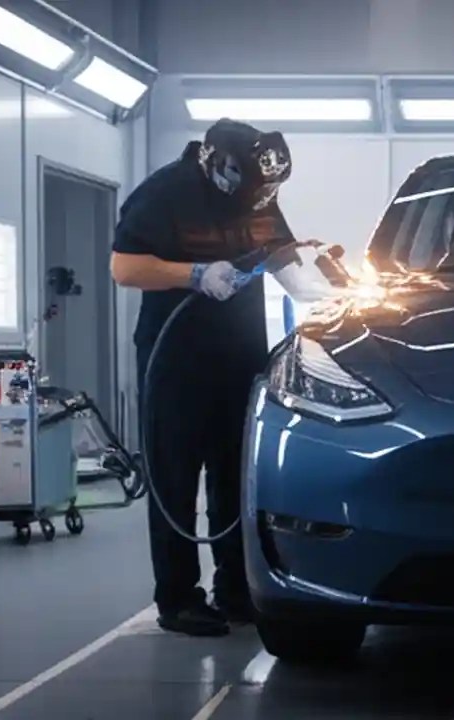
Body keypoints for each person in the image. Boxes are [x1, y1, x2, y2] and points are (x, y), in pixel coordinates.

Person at [110, 119, 296, 637]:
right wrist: (193, 274)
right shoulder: (166, 192)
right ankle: (178, 598)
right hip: (176, 357)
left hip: (239, 352)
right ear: (216, 164)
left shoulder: (257, 188)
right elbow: (124, 268)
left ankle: (236, 590)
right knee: (175, 476)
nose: (260, 200)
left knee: (235, 474)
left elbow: (279, 251)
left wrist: (323, 282)